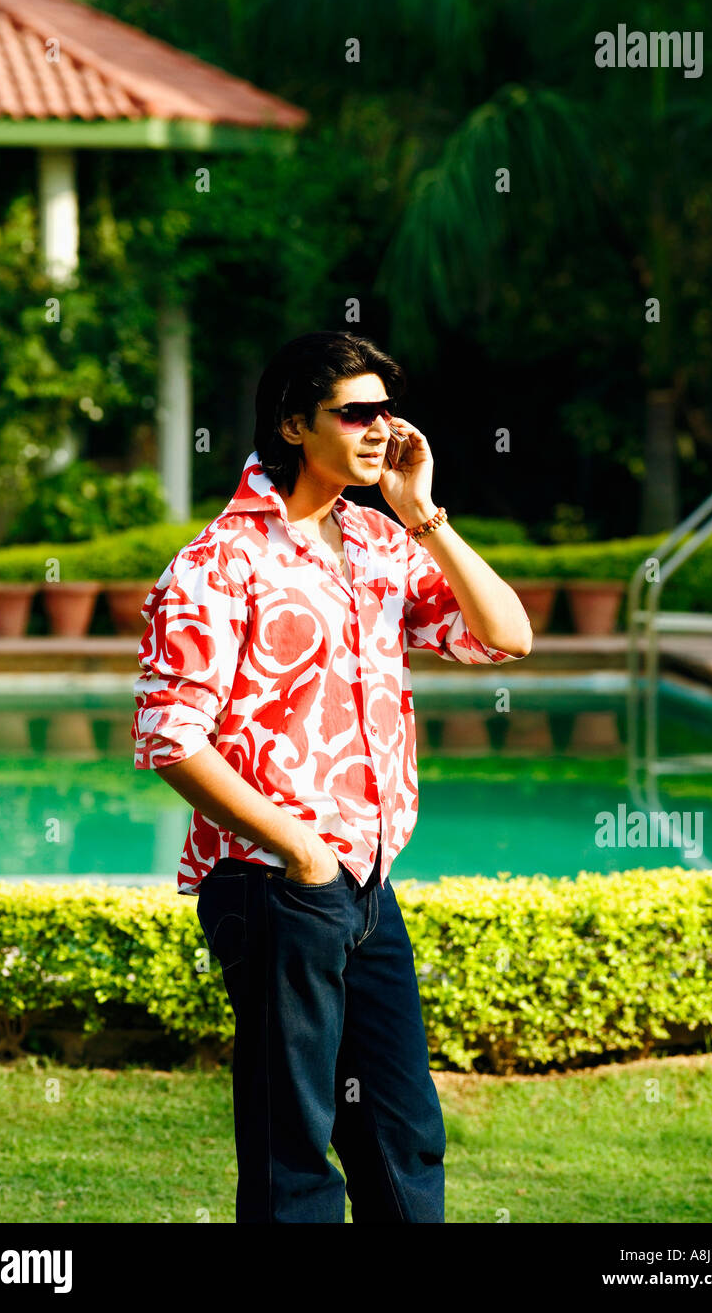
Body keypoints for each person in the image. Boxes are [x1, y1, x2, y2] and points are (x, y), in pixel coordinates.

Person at [132, 330, 532, 1223]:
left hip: (366, 883)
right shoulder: (216, 563)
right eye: (354, 413)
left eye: (385, 411)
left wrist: (421, 511)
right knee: (292, 1150)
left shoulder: (385, 546)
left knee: (402, 1130)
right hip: (277, 882)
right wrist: (301, 852)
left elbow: (506, 634)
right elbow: (171, 738)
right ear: (292, 426)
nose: (378, 427)